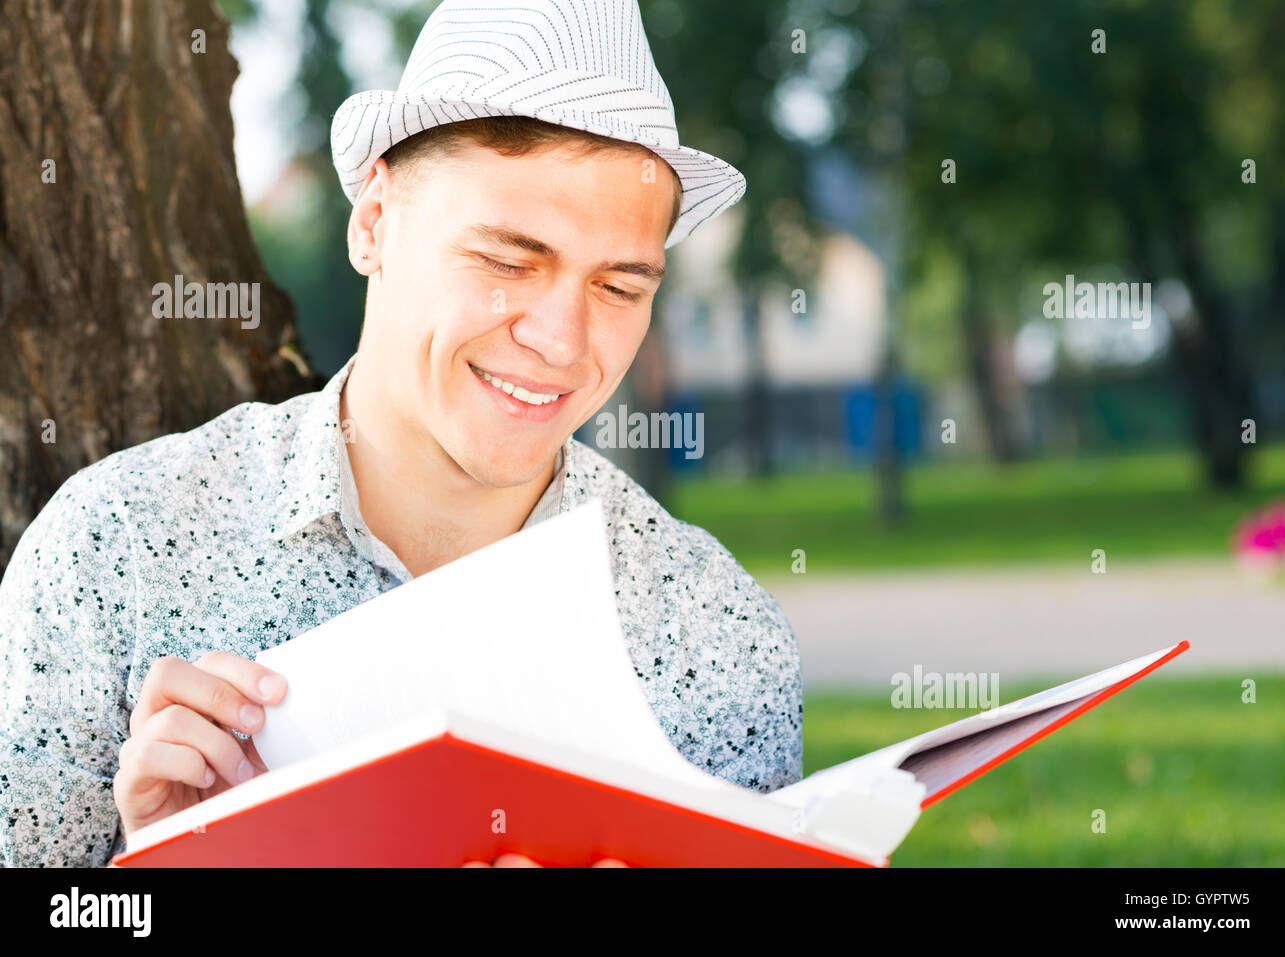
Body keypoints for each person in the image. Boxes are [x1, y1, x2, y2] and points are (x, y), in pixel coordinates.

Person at [0, 0, 802, 868]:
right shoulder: (110, 552)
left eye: (619, 287)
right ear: (374, 220)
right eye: (506, 261)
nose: (564, 342)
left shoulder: (716, 634)